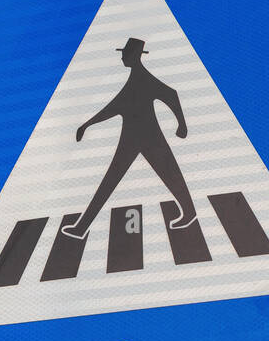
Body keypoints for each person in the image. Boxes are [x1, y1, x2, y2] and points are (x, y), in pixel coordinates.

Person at [61, 38, 198, 240]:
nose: (123, 57)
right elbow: (113, 108)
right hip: (132, 138)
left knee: (169, 175)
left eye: (125, 53)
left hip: (150, 138)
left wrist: (182, 125)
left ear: (134, 56)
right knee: (112, 181)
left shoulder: (142, 79)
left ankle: (189, 212)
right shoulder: (134, 80)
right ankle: (81, 228)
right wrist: (86, 125)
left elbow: (171, 94)